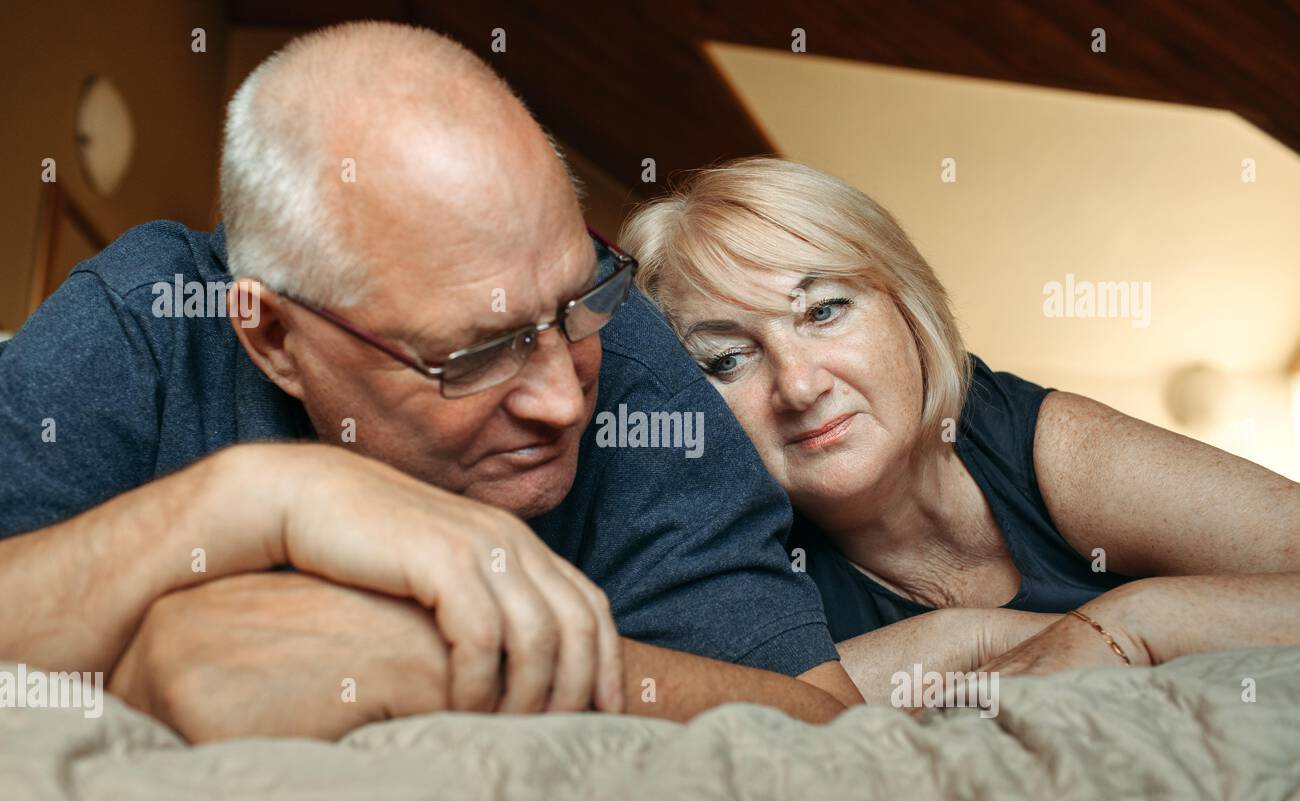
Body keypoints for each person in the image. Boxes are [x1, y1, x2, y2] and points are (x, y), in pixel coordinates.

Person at [0, 26, 863, 741]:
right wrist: (256, 498)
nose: (564, 400)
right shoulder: (142, 319)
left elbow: (832, 735)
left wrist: (446, 663)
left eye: (575, 300)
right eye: (478, 354)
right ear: (272, 337)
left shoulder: (627, 357)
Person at [620, 157, 1300, 703]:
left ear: (907, 309)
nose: (799, 386)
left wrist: (1134, 623)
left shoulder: (1037, 442)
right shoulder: (717, 552)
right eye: (727, 359)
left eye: (824, 311)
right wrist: (963, 638)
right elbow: (718, 710)